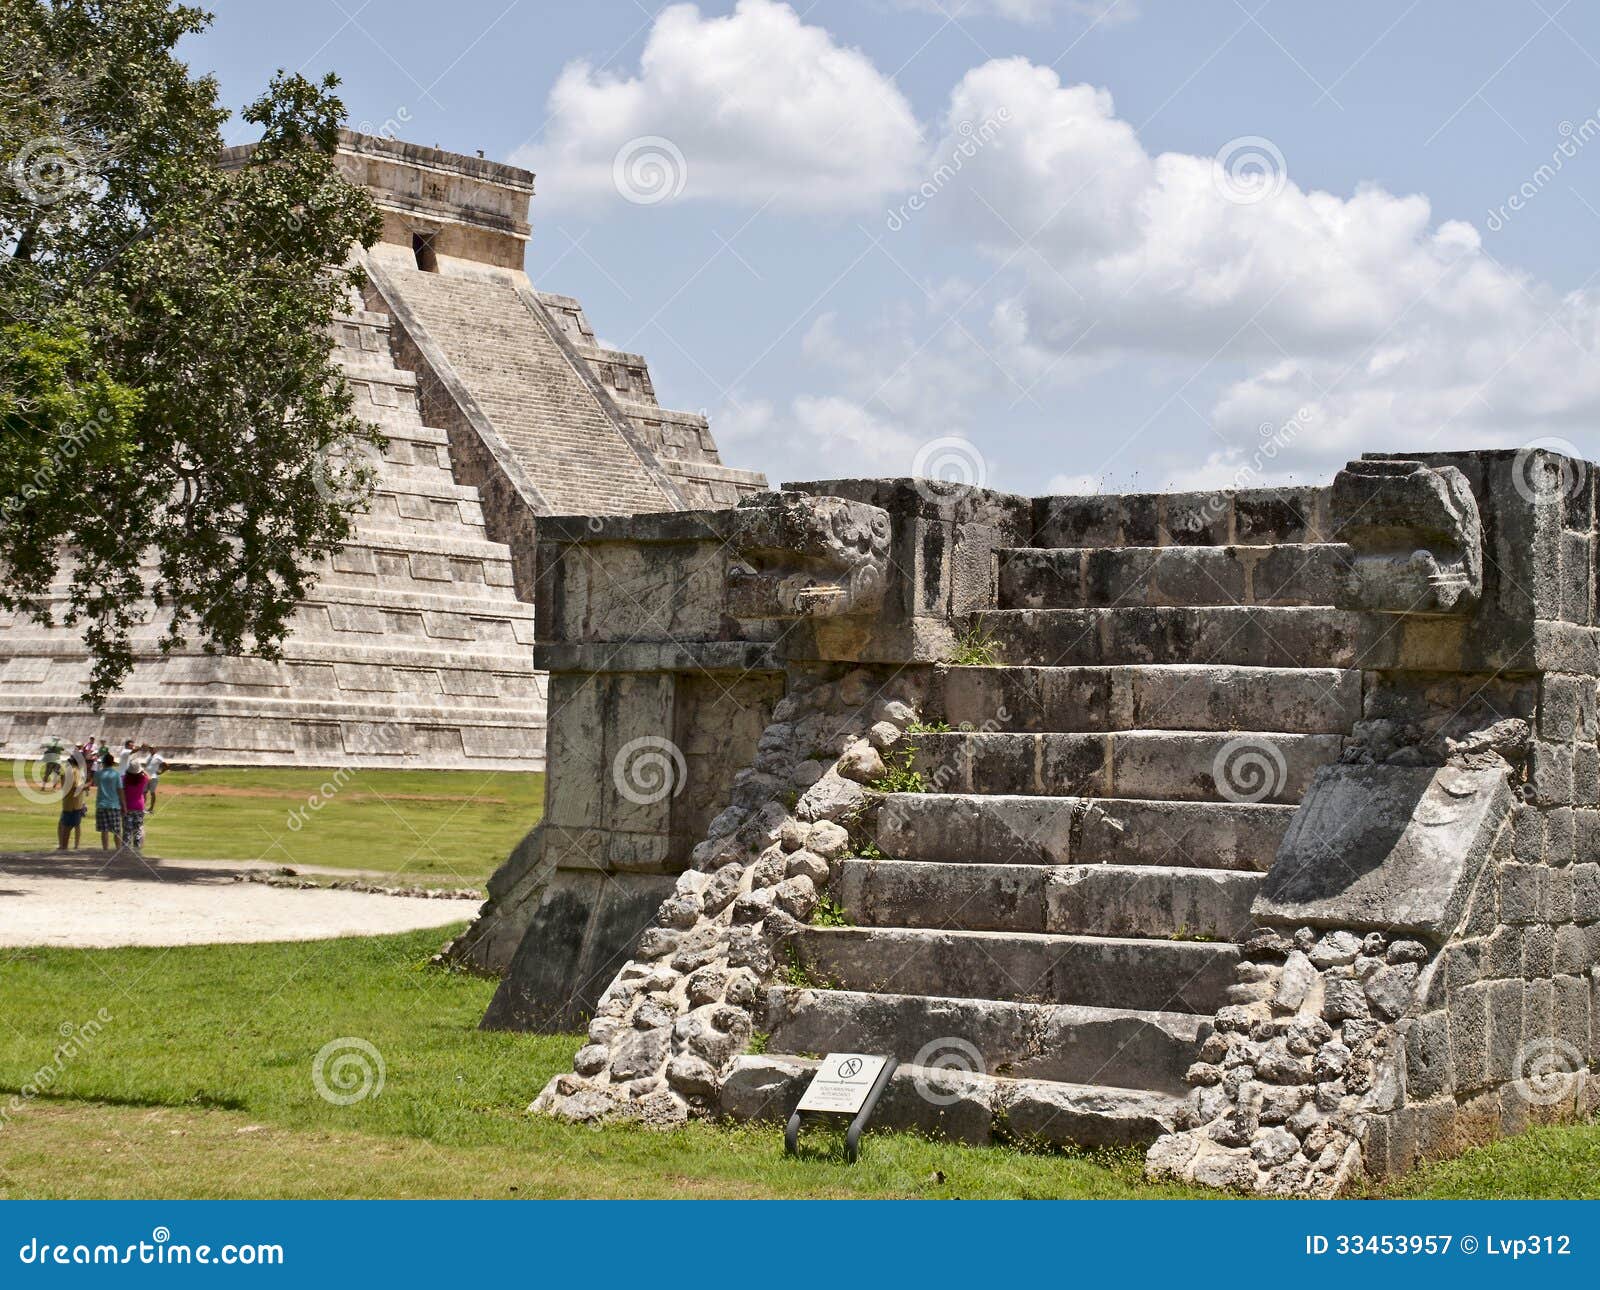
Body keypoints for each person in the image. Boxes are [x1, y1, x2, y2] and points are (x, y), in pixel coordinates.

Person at [92, 749, 124, 852]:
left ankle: (105, 850)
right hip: (114, 805)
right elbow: (120, 790)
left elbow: (95, 783)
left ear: (104, 762)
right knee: (117, 830)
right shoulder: (116, 774)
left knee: (104, 830)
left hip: (101, 804)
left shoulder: (98, 773)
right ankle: (118, 849)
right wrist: (124, 805)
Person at [56, 753, 89, 850]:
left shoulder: (69, 771)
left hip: (68, 803)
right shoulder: (76, 771)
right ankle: (65, 847)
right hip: (74, 804)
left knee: (65, 825)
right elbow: (76, 787)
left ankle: (63, 846)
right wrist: (88, 785)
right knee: (69, 826)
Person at [122, 755, 151, 853]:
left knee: (127, 829)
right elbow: (148, 777)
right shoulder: (143, 779)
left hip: (128, 806)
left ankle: (125, 850)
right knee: (138, 828)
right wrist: (142, 770)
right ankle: (137, 849)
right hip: (139, 806)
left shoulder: (124, 779)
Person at [143, 745, 167, 814]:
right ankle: (143, 808)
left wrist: (161, 772)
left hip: (153, 777)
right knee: (144, 792)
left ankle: (151, 808)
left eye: (152, 748)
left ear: (155, 749)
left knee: (152, 793)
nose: (151, 749)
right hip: (146, 776)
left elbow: (166, 765)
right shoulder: (148, 756)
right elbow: (147, 766)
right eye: (150, 748)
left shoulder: (158, 757)